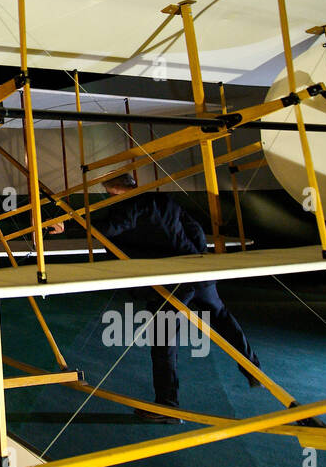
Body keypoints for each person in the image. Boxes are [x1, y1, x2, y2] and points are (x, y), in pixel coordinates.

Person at [49, 172, 262, 423]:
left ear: (114, 190)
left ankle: (167, 405)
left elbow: (107, 228)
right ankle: (253, 369)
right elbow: (194, 229)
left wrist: (67, 225)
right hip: (197, 267)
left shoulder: (130, 206)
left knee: (164, 341)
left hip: (172, 279)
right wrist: (197, 256)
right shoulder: (165, 201)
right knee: (221, 316)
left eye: (109, 193)